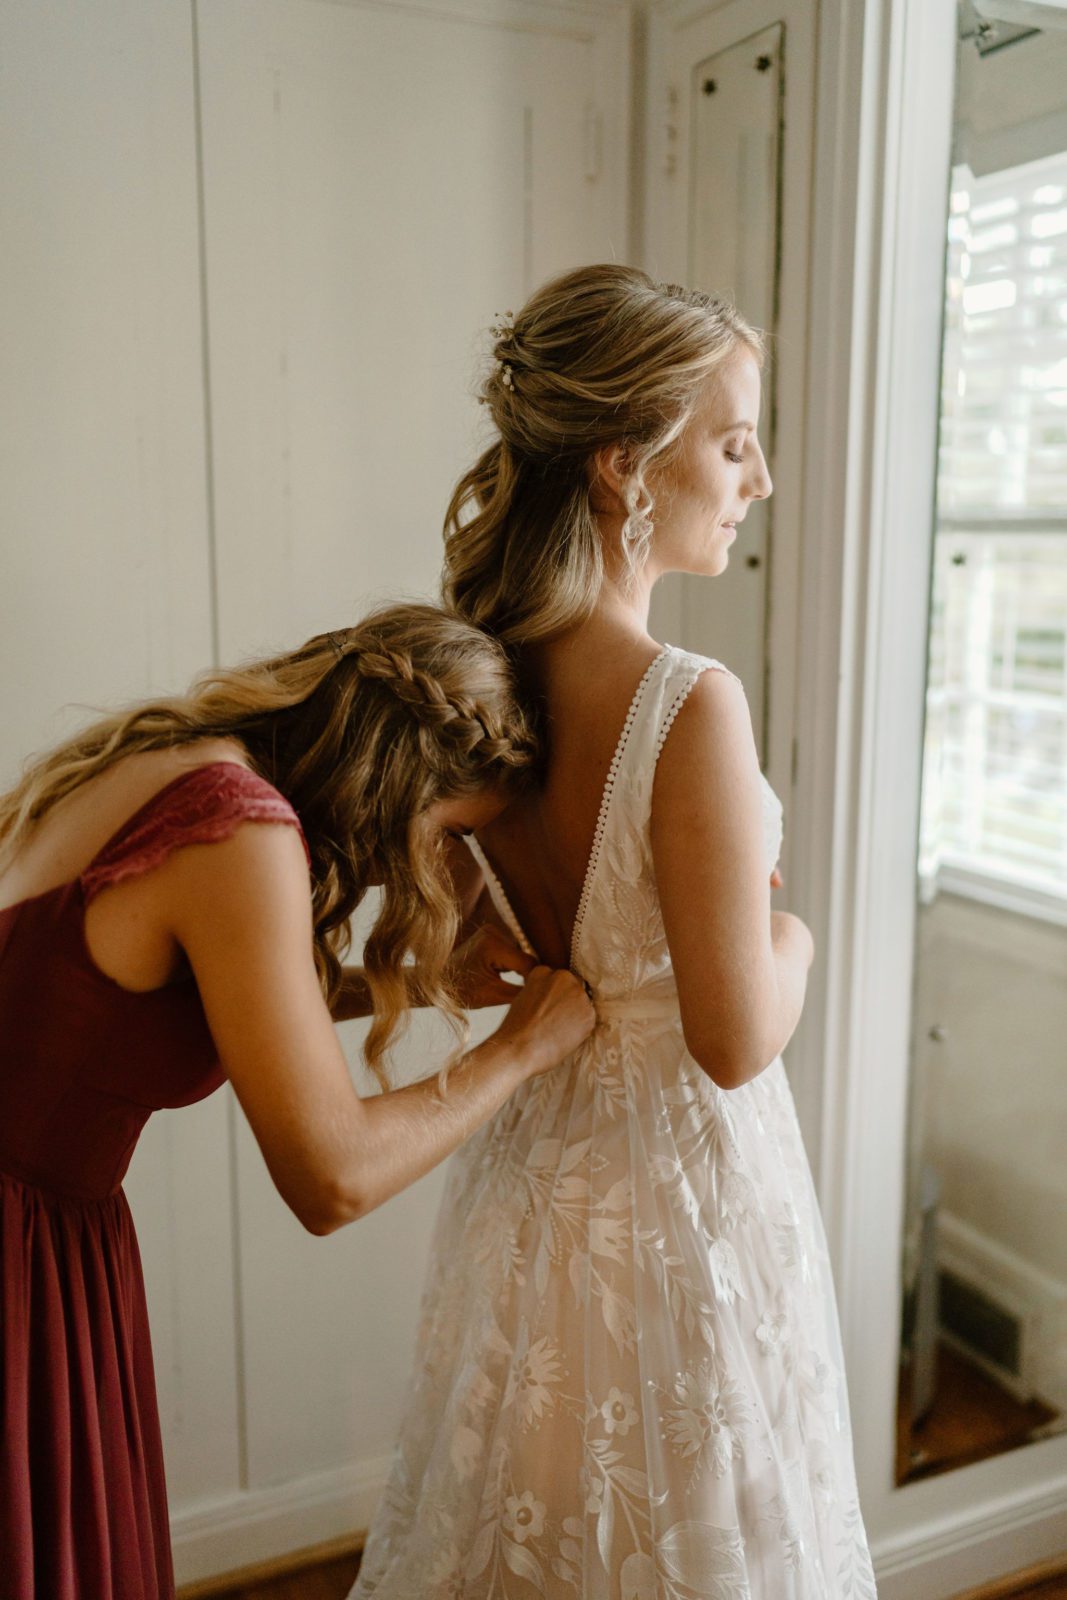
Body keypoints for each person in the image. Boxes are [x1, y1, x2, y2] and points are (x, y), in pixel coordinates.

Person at [351, 268, 877, 1598]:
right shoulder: (686, 702)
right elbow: (731, 1040)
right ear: (622, 463)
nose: (758, 481)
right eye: (733, 443)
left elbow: (480, 952)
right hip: (678, 1196)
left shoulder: (481, 678)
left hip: (534, 1175)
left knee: (527, 1511)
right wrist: (792, 935)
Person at [0, 602, 594, 1600]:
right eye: (452, 832)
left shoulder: (184, 762)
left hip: (46, 1231)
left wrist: (426, 984)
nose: (446, 869)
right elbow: (332, 1179)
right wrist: (519, 1051)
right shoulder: (238, 831)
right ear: (402, 780)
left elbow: (193, 995)